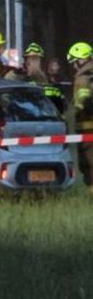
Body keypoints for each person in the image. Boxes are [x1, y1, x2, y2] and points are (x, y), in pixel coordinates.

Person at [68, 41, 93, 190]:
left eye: (74, 62)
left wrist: (69, 115)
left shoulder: (82, 78)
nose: (74, 66)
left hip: (86, 127)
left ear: (81, 59)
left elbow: (82, 104)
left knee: (88, 164)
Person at [23, 42, 65, 114]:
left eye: (35, 59)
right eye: (31, 59)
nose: (32, 63)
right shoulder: (18, 77)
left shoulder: (46, 79)